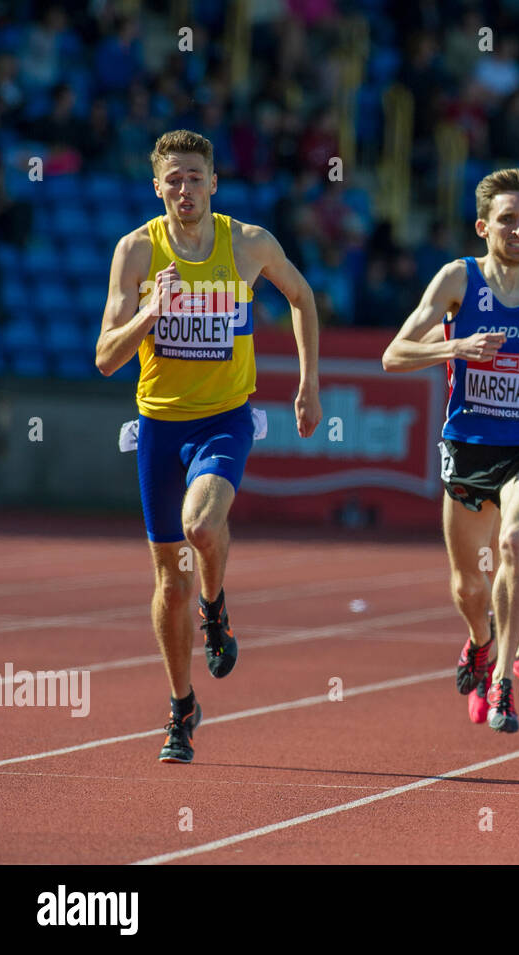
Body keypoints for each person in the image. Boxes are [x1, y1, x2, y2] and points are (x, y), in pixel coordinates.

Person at [94, 130, 322, 763]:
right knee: (167, 577)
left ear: (214, 182)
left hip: (224, 418)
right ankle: (181, 707)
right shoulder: (136, 251)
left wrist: (309, 386)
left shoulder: (248, 243)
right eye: (174, 180)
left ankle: (215, 607)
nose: (185, 190)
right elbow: (106, 358)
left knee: (201, 524)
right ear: (157, 186)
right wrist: (148, 314)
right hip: (160, 427)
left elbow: (301, 297)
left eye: (196, 177)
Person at [382, 168, 519, 733]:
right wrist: (457, 345)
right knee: (468, 584)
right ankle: (480, 642)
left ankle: (504, 677)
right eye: (508, 219)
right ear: (483, 226)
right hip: (468, 443)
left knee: (517, 539)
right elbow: (395, 353)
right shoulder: (457, 280)